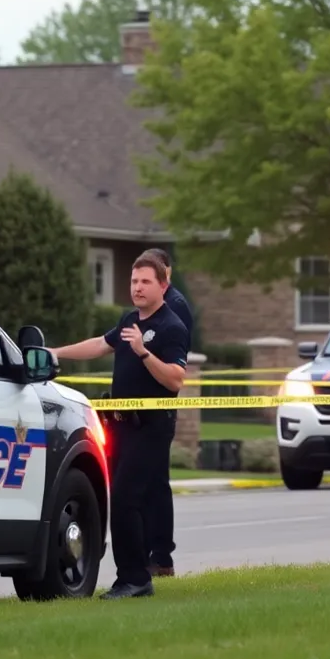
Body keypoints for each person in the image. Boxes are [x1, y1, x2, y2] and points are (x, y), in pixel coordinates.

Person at [49, 253, 189, 599]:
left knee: (128, 499)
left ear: (163, 285)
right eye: (134, 281)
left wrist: (143, 351)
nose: (138, 288)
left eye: (145, 282)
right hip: (122, 427)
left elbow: (175, 380)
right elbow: (100, 344)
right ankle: (136, 574)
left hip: (150, 427)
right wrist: (55, 352)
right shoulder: (129, 320)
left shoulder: (172, 326)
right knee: (127, 501)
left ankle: (134, 578)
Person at [140, 247, 193, 578]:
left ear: (166, 274)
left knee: (155, 483)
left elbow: (175, 365)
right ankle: (152, 551)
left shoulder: (174, 308)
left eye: (151, 276)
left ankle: (161, 556)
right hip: (140, 411)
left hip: (158, 409)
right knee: (146, 483)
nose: (141, 286)